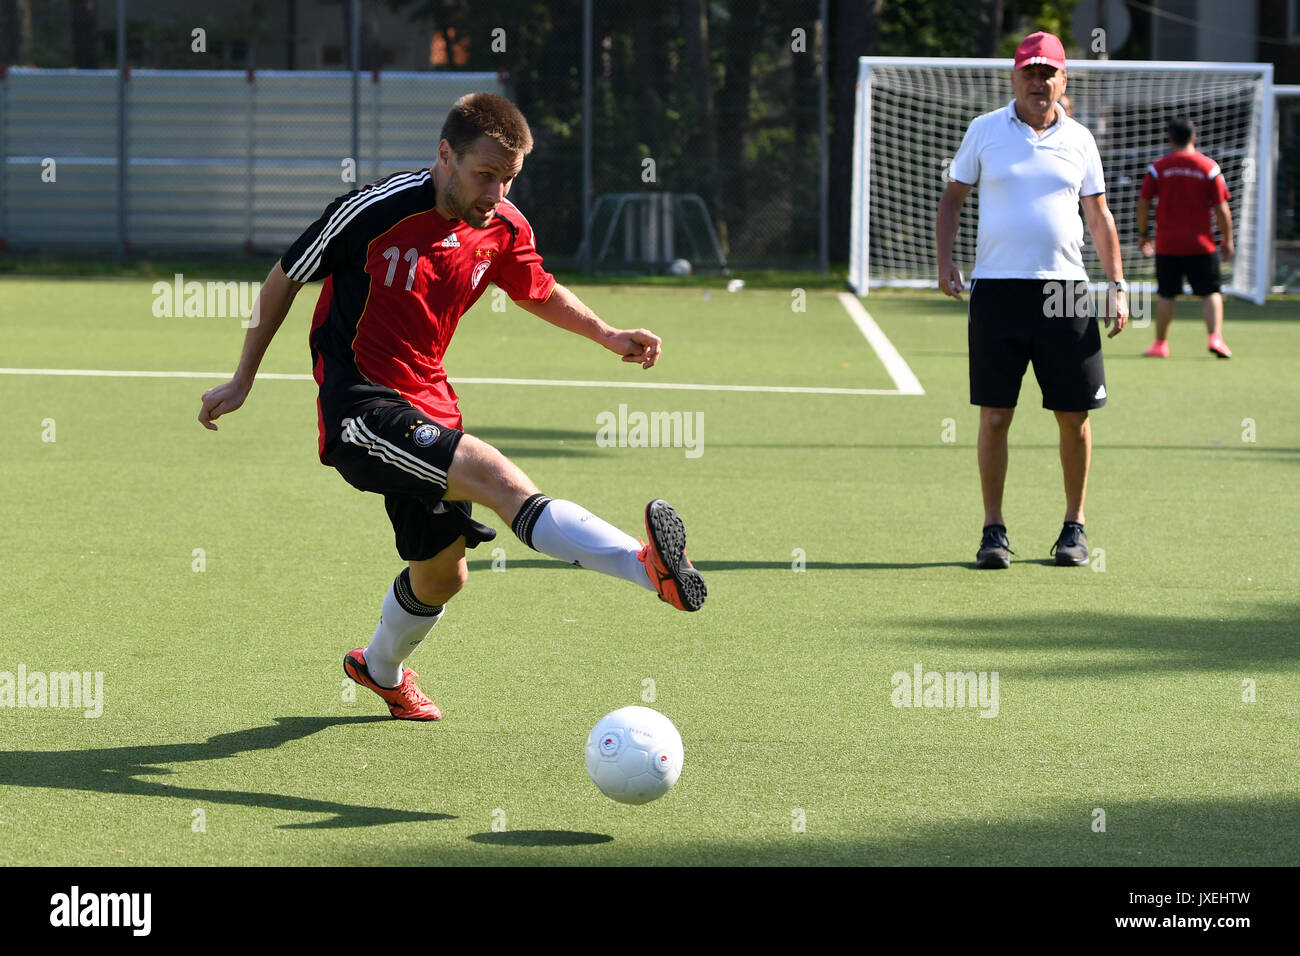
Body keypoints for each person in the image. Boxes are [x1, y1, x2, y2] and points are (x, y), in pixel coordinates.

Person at [197, 92, 706, 721]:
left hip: (431, 404)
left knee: (442, 575)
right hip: (360, 406)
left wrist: (606, 333)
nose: (495, 192)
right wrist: (242, 378)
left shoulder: (503, 225)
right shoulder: (372, 210)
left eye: (508, 178)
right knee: (496, 476)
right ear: (445, 155)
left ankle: (378, 670)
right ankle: (645, 566)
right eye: (484, 174)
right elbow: (286, 277)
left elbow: (535, 288)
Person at [935, 31, 1129, 570]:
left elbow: (1099, 215)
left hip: (1064, 292)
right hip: (997, 289)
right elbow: (953, 197)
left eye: (1049, 73)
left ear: (1064, 79)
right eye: (1030, 72)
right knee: (995, 416)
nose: (1039, 82)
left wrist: (1116, 283)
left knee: (1074, 415)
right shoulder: (984, 131)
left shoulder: (1081, 139)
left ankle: (1075, 525)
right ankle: (993, 530)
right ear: (1014, 76)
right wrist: (945, 260)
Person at [1137, 116, 1234, 358]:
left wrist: (1143, 234)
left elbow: (1143, 203)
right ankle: (1216, 338)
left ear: (1170, 140)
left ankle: (1160, 344)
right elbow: (1222, 208)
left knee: (1167, 294)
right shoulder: (1209, 168)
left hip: (1168, 244)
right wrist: (1227, 239)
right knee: (1211, 291)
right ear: (1194, 137)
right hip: (1202, 244)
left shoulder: (1158, 168)